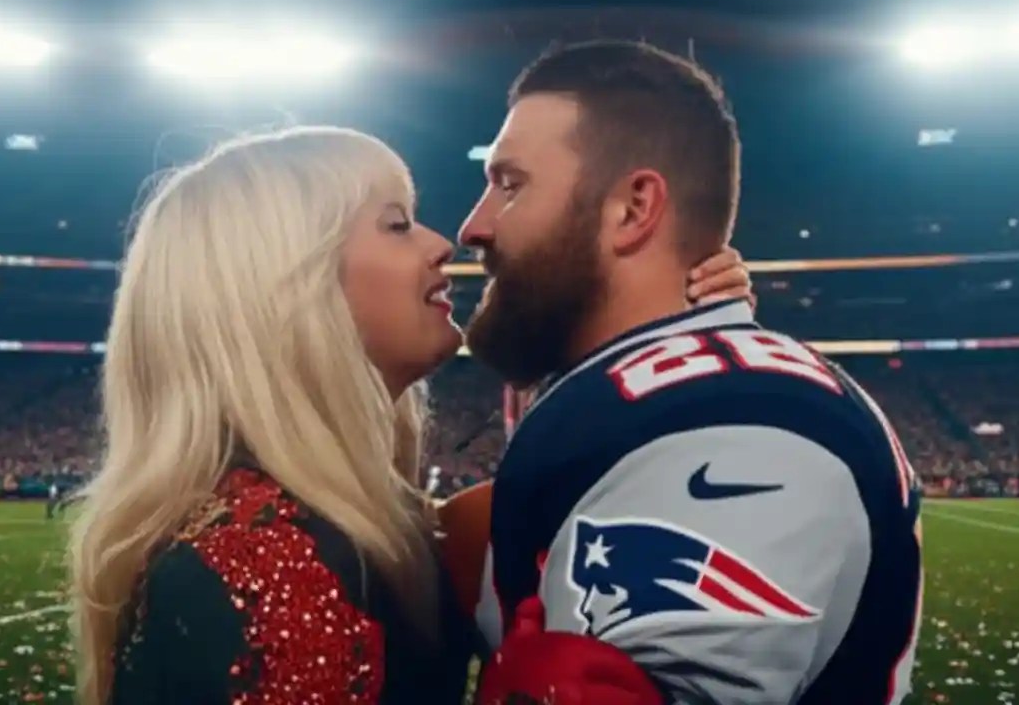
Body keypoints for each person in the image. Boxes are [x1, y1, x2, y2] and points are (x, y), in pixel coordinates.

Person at [66, 125, 752, 705]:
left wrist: (667, 328)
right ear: (289, 288)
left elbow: (562, 510)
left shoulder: (366, 527)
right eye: (396, 224)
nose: (439, 243)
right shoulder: (263, 563)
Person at [459, 41, 923, 705]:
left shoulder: (734, 422)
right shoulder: (640, 397)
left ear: (632, 208)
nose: (471, 227)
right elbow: (445, 547)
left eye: (510, 184)